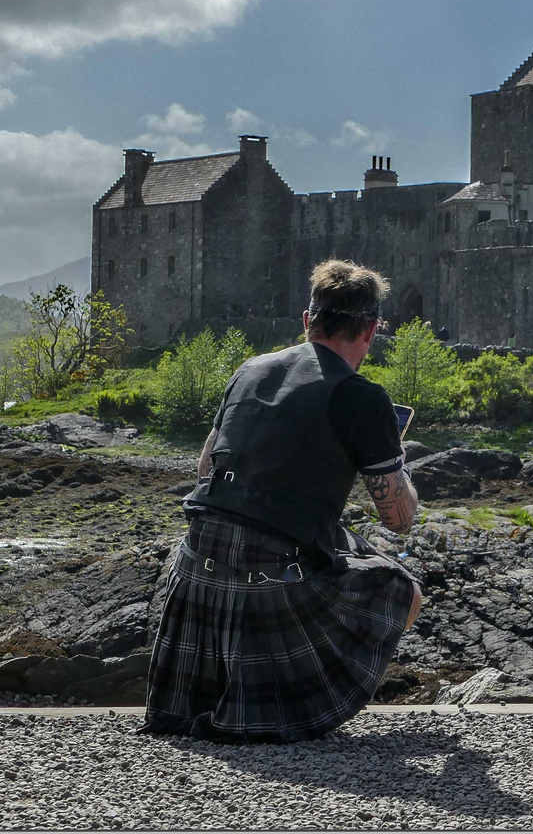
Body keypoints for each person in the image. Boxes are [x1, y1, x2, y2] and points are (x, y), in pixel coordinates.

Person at [141, 259, 422, 744]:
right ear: (371, 330)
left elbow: (205, 470)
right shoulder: (361, 396)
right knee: (402, 589)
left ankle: (231, 691)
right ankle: (306, 700)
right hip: (272, 573)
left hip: (195, 563)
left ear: (306, 319)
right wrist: (392, 456)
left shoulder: (248, 370)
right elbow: (398, 518)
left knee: (337, 543)